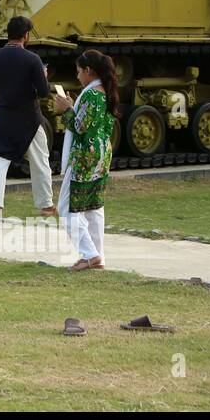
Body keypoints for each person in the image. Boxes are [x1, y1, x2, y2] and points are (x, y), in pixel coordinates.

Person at [0, 15, 55, 219]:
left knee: (0, 159)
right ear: (25, 35)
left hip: (3, 114)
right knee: (40, 160)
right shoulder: (32, 59)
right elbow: (43, 91)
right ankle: (45, 205)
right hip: (28, 117)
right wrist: (44, 76)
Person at [54, 49, 118, 271]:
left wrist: (66, 110)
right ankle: (98, 255)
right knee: (93, 207)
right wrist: (73, 108)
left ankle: (89, 255)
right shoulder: (106, 92)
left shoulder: (92, 95)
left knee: (67, 207)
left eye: (79, 71)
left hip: (85, 156)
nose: (78, 76)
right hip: (101, 154)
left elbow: (80, 126)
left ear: (88, 71)